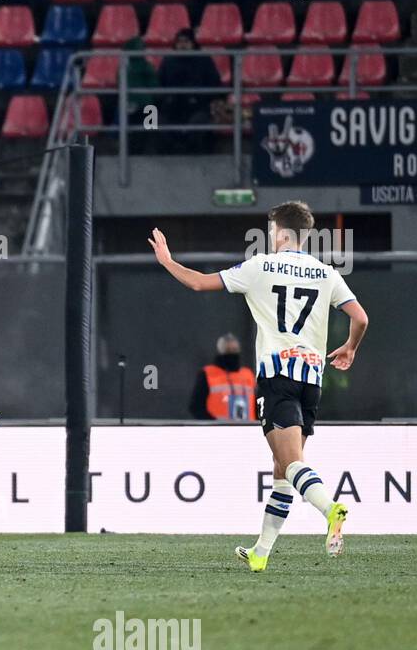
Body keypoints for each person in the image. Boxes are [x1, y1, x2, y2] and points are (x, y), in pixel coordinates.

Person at [148, 201, 370, 572]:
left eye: (270, 231)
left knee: (290, 462)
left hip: (278, 376)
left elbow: (199, 283)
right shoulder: (326, 273)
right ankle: (261, 552)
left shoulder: (260, 267)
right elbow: (360, 318)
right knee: (281, 469)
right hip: (311, 380)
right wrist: (350, 348)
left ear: (281, 233)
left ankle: (330, 508)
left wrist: (168, 261)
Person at [158, 29, 223, 154]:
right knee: (151, 119)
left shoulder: (204, 60)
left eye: (186, 41)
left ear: (193, 43)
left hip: (198, 107)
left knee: (199, 122)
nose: (182, 45)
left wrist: (200, 97)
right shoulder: (168, 61)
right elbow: (159, 86)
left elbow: (215, 85)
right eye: (179, 42)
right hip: (170, 108)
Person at [189, 333, 257, 421]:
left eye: (234, 350)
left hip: (247, 430)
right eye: (228, 350)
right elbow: (196, 406)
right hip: (219, 431)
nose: (232, 353)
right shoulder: (208, 374)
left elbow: (257, 405)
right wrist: (212, 424)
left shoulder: (248, 375)